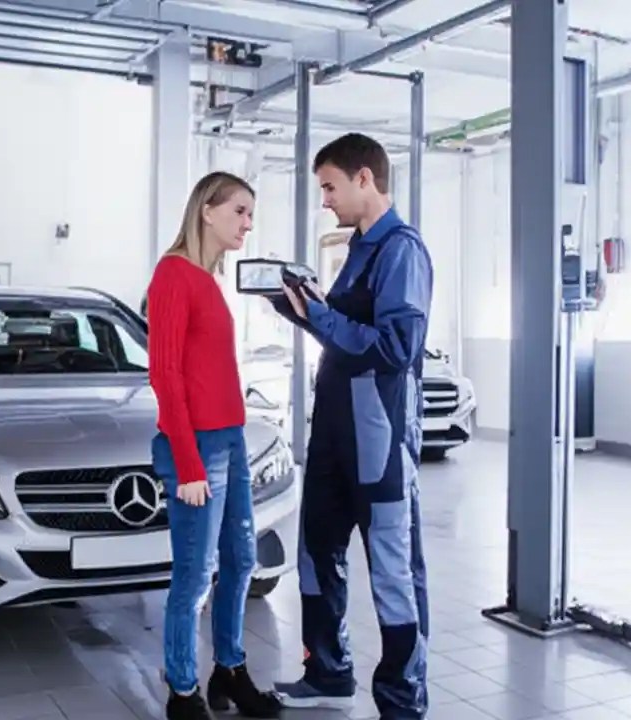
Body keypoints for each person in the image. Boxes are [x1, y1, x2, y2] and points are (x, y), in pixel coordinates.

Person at [269, 133, 433, 719]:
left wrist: (322, 316)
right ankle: (329, 672)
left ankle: (402, 701)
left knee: (392, 569)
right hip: (334, 437)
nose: (326, 200)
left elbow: (395, 346)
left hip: (379, 440)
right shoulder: (361, 248)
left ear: (365, 179)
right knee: (317, 552)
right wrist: (303, 312)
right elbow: (344, 332)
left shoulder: (402, 250)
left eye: (330, 187)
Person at [146, 170, 284, 720]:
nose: (248, 223)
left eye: (251, 214)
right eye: (239, 211)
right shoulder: (173, 275)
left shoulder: (208, 280)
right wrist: (188, 465)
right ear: (206, 210)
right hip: (198, 448)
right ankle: (183, 692)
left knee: (242, 559)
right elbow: (165, 375)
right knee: (195, 574)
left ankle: (229, 669)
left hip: (230, 439)